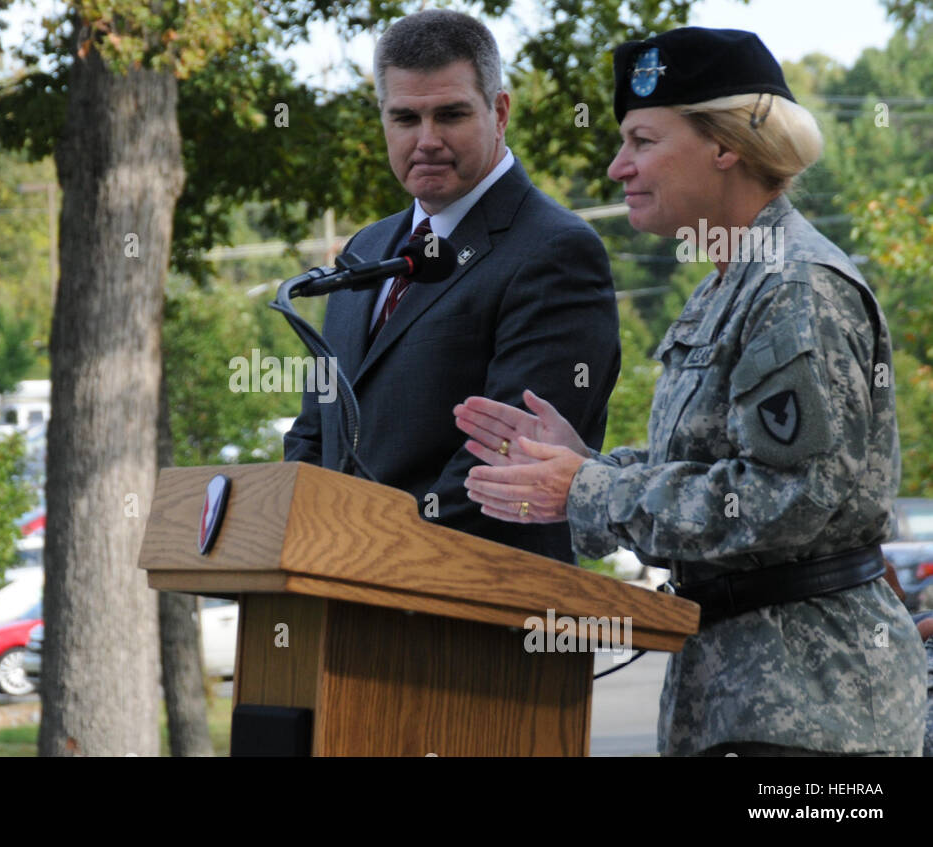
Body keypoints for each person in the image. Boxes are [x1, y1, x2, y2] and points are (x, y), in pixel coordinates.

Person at [455, 27, 927, 756]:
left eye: (642, 140)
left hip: (813, 713)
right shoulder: (728, 285)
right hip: (740, 698)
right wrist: (590, 464)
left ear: (725, 144)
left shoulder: (793, 284)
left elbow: (788, 499)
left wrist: (586, 491)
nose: (618, 168)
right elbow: (722, 465)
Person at [283, 8, 620, 563]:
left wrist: (366, 554)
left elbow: (508, 460)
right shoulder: (366, 250)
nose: (428, 140)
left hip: (478, 611)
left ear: (500, 111)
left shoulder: (556, 250)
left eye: (451, 114)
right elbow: (314, 432)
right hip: (339, 596)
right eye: (406, 119)